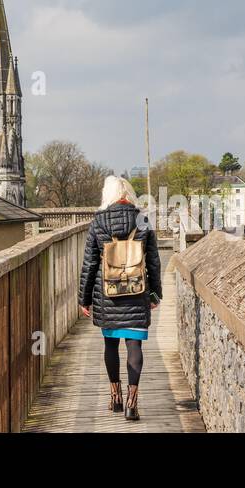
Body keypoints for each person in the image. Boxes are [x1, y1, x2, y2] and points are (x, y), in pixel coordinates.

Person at [79, 176, 162, 421]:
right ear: (129, 193)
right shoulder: (142, 220)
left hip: (108, 295)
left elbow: (90, 264)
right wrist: (155, 294)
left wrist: (84, 299)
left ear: (108, 195)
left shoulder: (98, 222)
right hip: (137, 293)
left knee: (111, 345)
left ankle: (114, 397)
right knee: (134, 346)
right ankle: (131, 404)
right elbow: (154, 263)